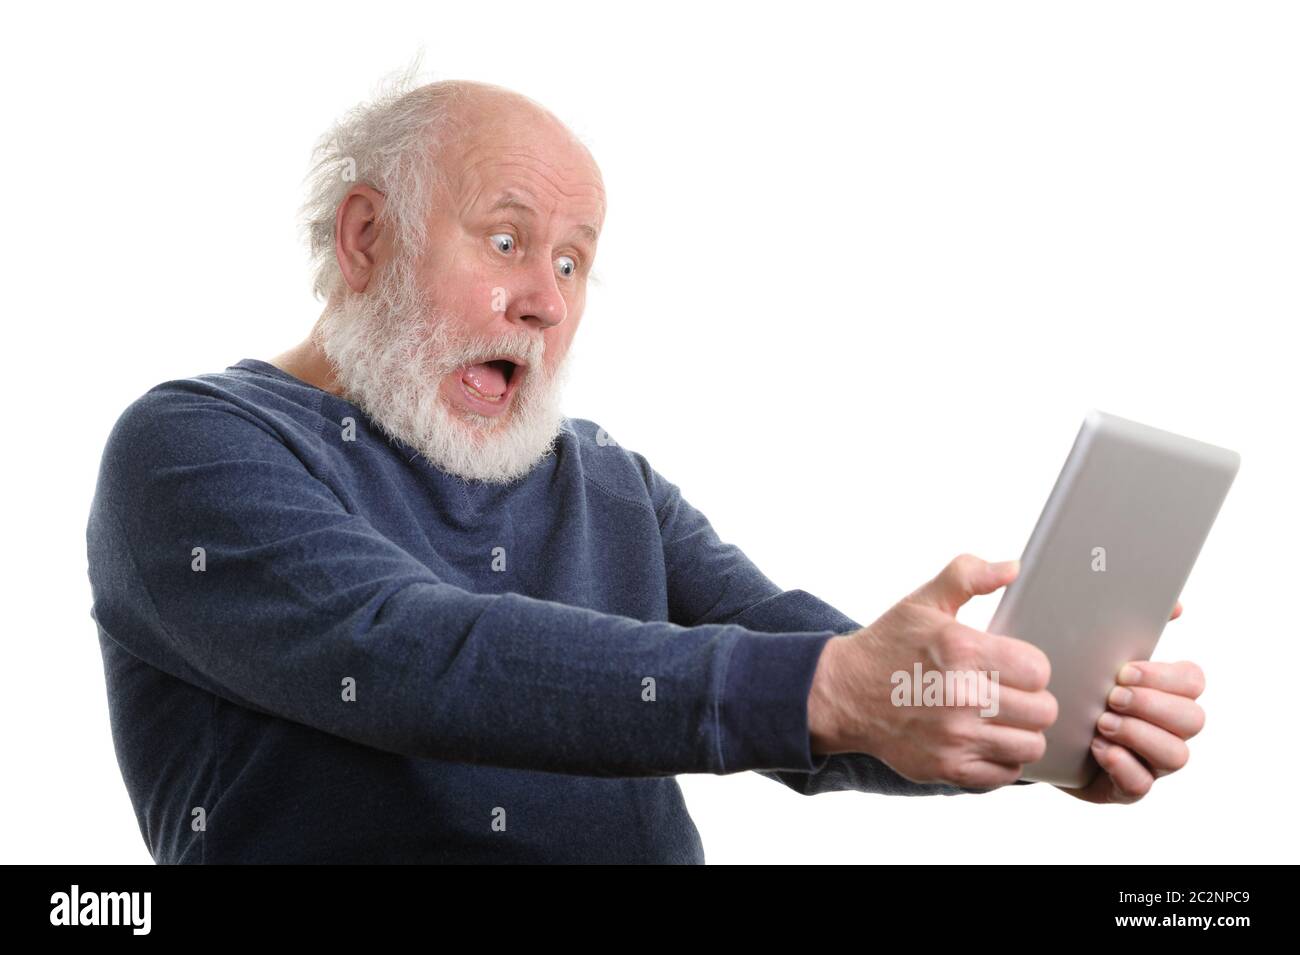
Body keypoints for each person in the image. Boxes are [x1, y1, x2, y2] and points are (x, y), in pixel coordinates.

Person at [86, 74, 1205, 864]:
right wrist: (833, 689)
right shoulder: (193, 448)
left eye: (575, 262)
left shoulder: (605, 480)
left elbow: (813, 669)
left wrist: (1018, 720)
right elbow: (409, 655)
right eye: (509, 239)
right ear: (366, 237)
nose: (547, 300)